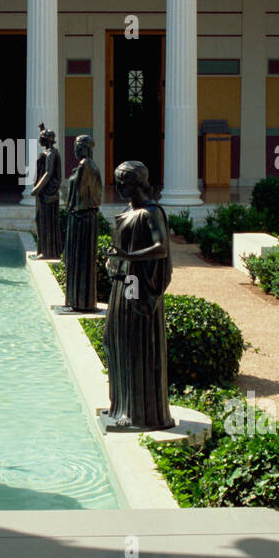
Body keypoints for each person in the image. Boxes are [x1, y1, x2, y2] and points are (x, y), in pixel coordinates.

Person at [103, 160, 174, 431]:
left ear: (138, 183)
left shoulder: (150, 212)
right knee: (114, 339)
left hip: (135, 283)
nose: (119, 186)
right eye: (118, 181)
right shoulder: (128, 210)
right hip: (122, 282)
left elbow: (161, 248)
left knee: (133, 341)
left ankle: (137, 414)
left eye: (124, 182)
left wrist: (128, 256)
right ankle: (121, 405)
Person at [63, 134, 102, 311]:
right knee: (80, 260)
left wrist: (69, 208)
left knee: (79, 259)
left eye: (78, 146)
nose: (75, 149)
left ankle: (79, 303)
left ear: (86, 147)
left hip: (81, 217)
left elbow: (79, 192)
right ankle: (79, 301)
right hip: (84, 217)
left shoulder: (85, 165)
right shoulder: (90, 165)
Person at [32, 124, 63, 259]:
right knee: (40, 220)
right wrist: (42, 129)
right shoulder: (50, 152)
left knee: (45, 221)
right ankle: (42, 251)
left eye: (41, 137)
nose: (39, 140)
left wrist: (37, 188)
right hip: (45, 193)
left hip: (47, 193)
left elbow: (48, 173)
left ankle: (46, 252)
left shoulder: (51, 154)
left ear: (46, 140)